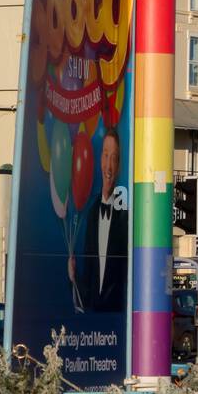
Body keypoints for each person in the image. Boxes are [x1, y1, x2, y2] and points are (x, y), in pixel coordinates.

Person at [72, 127, 128, 313]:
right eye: (105, 156)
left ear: (119, 165)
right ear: (99, 160)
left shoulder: (126, 214)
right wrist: (74, 277)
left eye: (114, 158)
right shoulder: (92, 213)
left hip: (117, 313)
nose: (109, 166)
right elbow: (89, 273)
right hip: (95, 314)